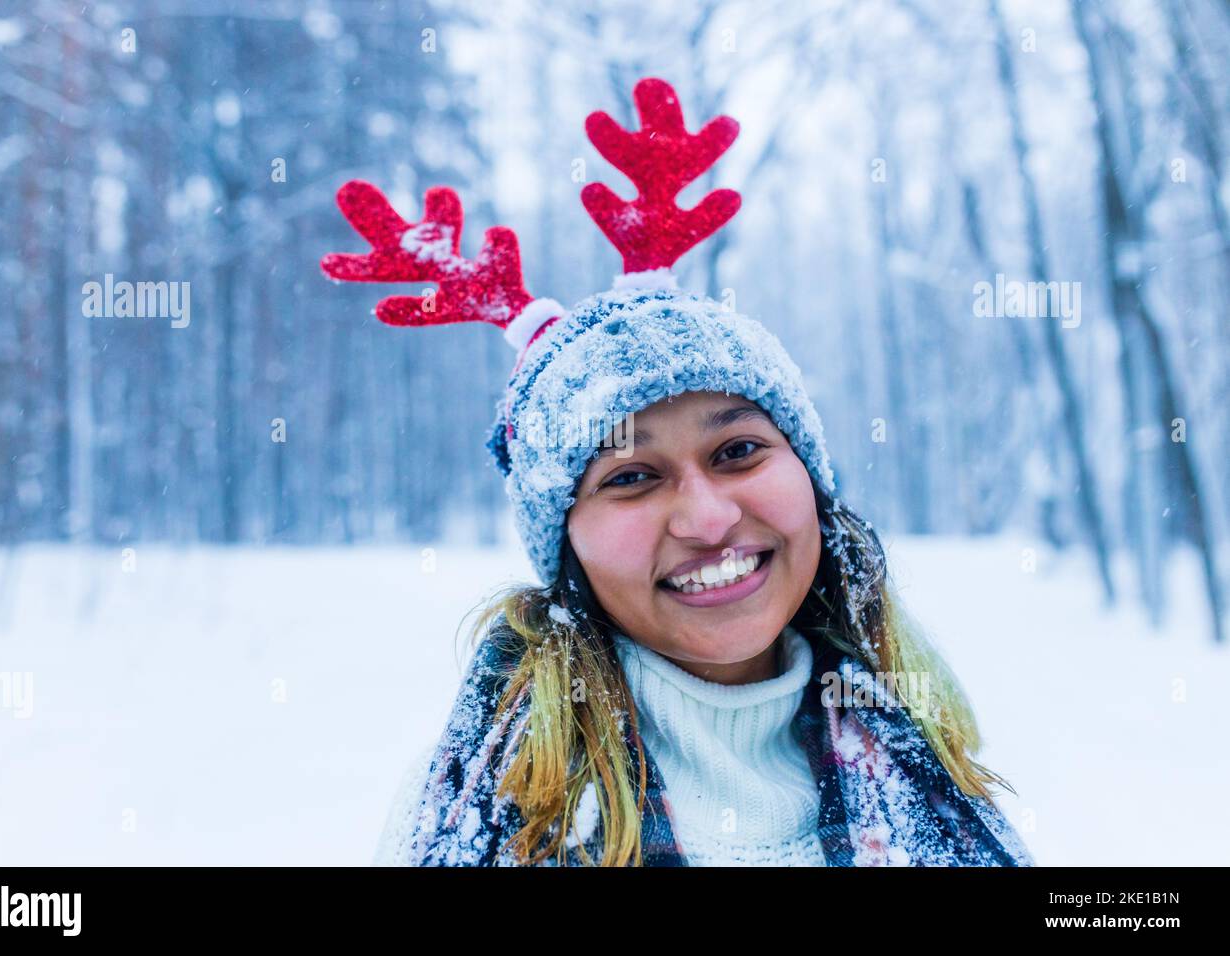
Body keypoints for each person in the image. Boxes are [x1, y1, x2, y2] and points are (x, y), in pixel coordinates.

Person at [323, 77, 1035, 867]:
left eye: (737, 452)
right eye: (630, 478)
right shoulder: (490, 811)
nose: (707, 518)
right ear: (566, 544)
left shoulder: (930, 760)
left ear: (809, 475)